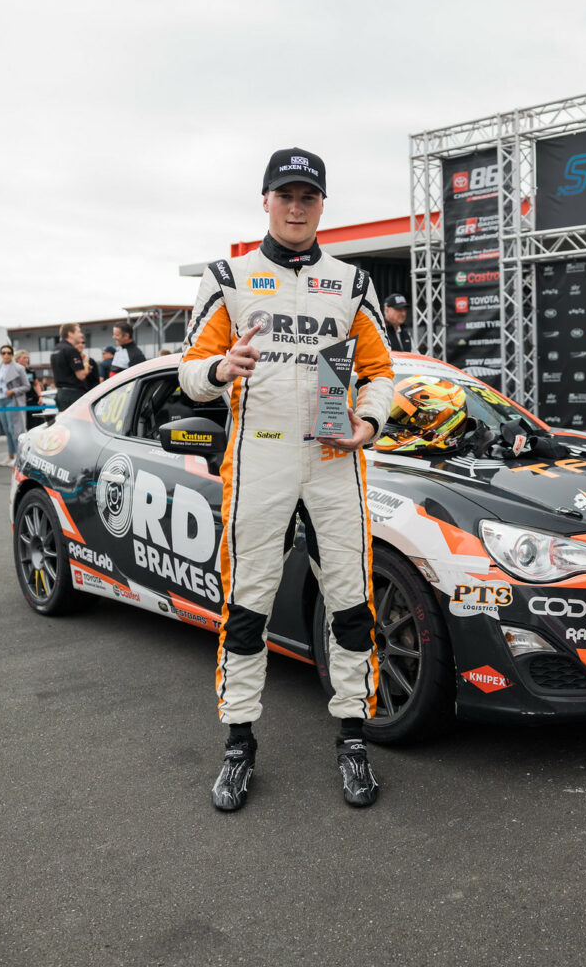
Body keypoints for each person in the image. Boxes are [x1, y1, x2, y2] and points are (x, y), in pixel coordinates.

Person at [179, 146, 395, 812]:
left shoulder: (352, 283)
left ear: (322, 204)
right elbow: (189, 371)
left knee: (352, 606)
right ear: (266, 201)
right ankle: (238, 744)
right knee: (247, 606)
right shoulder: (230, 278)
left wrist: (368, 421)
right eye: (286, 195)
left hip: (333, 461)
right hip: (260, 460)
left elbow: (380, 371)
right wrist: (220, 370)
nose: (296, 207)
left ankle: (353, 739)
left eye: (308, 196)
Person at [0, 343, 30, 460]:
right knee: (6, 430)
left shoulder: (19, 368)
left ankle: (19, 457)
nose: (6, 355)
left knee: (14, 430)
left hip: (12, 401)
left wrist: (13, 391)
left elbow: (27, 386)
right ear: (0, 354)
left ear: (12, 355)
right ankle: (11, 456)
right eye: (3, 353)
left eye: (9, 353)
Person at [51, 323, 93, 411]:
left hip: (61, 393)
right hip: (72, 394)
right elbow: (81, 375)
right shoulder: (71, 350)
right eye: (78, 331)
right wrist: (86, 363)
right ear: (70, 334)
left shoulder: (55, 349)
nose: (81, 334)